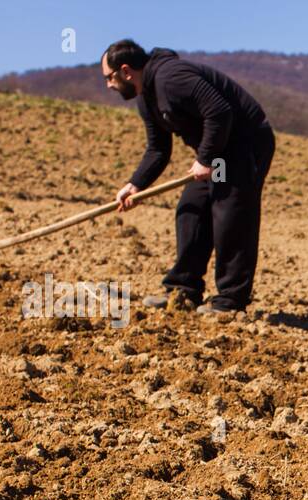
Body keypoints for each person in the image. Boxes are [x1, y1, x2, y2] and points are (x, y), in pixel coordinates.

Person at [103, 39, 275, 314]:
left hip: (246, 143)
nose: (108, 85)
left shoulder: (171, 78)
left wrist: (205, 158)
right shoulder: (147, 98)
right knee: (191, 210)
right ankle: (183, 290)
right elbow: (158, 149)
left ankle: (230, 301)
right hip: (217, 151)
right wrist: (135, 184)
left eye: (109, 78)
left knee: (230, 215)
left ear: (125, 70)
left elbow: (219, 110)